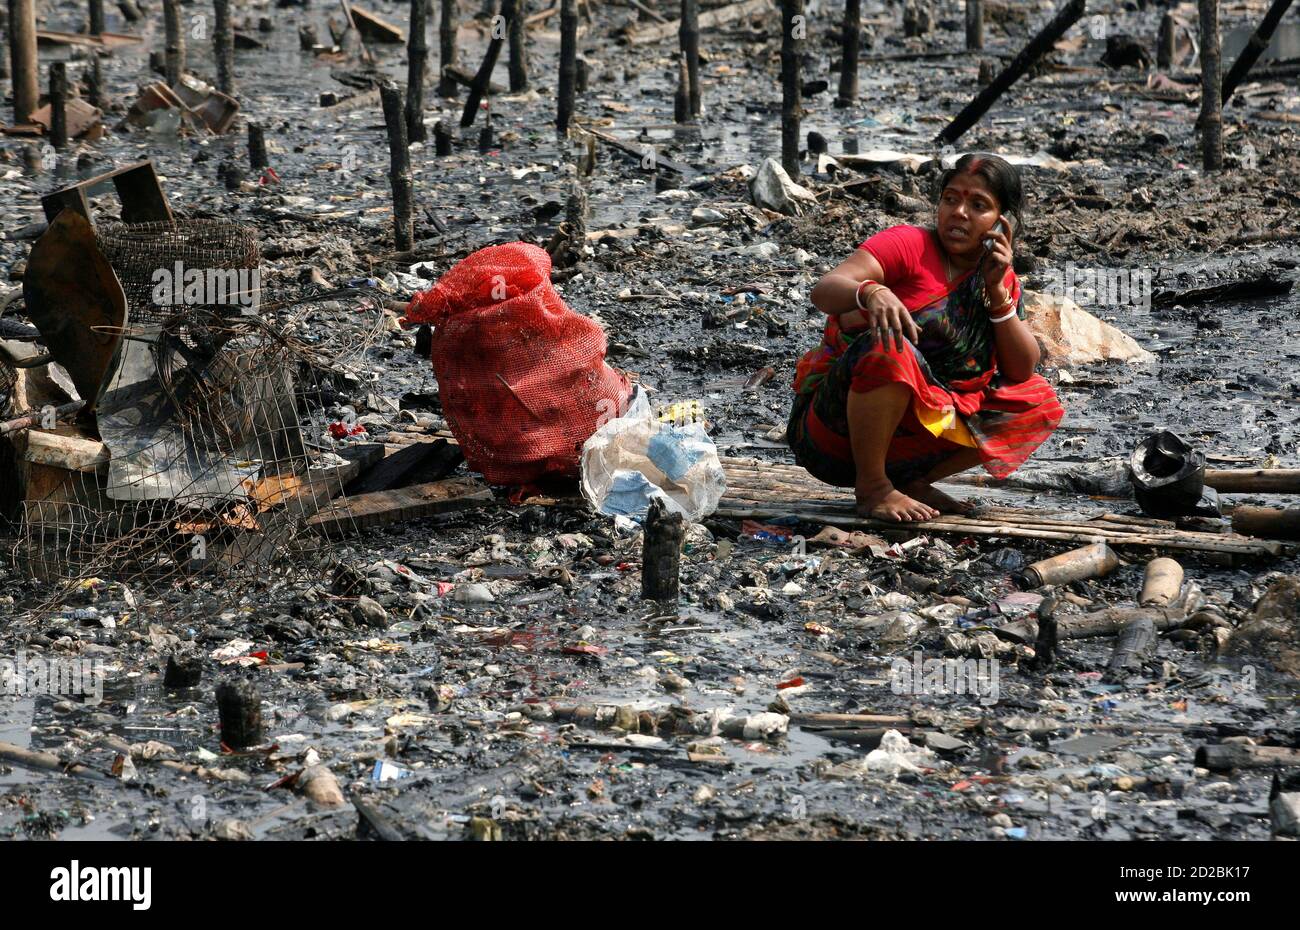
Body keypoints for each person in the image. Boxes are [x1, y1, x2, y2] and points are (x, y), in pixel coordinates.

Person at [787, 153, 1065, 522]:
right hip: (832, 432)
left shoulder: (997, 278)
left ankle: (912, 482)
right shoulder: (909, 244)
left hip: (914, 428)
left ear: (1003, 224)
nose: (959, 212)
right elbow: (825, 290)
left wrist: (997, 292)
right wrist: (870, 292)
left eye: (977, 205)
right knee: (891, 347)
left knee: (1037, 400)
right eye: (951, 199)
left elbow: (1021, 369)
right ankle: (873, 488)